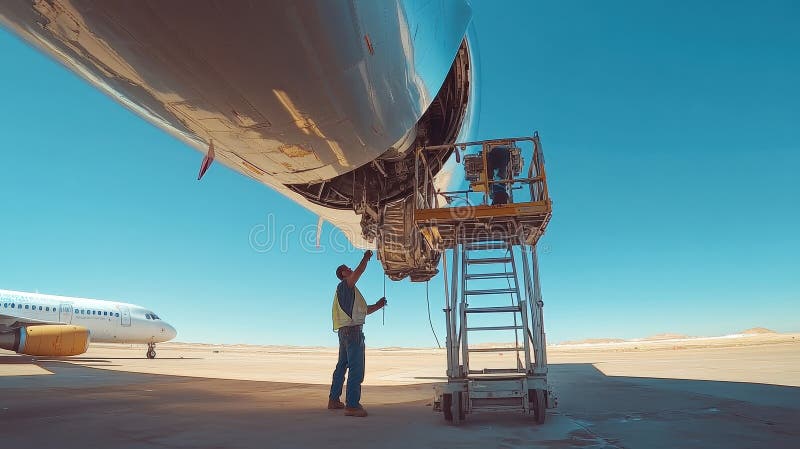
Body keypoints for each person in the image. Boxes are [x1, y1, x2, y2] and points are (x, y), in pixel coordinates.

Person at [327, 249, 388, 417]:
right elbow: (359, 271)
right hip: (353, 333)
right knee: (356, 368)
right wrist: (366, 258)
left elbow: (364, 311)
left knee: (342, 366)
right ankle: (352, 405)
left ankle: (333, 400)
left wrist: (378, 305)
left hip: (344, 332)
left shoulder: (348, 292)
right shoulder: (345, 285)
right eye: (347, 268)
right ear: (343, 274)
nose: (351, 269)